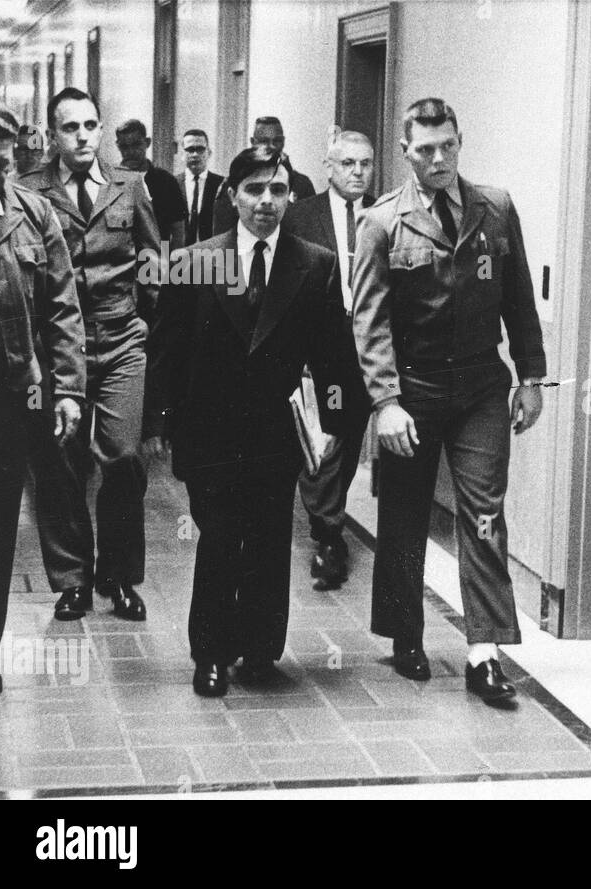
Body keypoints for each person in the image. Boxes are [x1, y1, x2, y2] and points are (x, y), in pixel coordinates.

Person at [353, 98, 546, 706]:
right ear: (405, 152)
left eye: (448, 147)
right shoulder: (383, 221)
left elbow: (519, 300)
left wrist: (531, 376)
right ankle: (406, 632)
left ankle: (484, 651)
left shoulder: (495, 208)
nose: (439, 159)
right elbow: (369, 319)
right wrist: (385, 401)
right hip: (413, 389)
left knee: (484, 511)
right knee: (405, 514)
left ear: (460, 142)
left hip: (481, 387)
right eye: (426, 150)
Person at [145, 146, 348, 698]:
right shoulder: (196, 260)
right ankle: (209, 651)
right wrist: (159, 422)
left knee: (268, 535)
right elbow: (167, 347)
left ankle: (260, 647)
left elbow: (333, 354)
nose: (266, 201)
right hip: (209, 427)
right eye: (254, 190)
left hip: (274, 430)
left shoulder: (314, 263)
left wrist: (332, 419)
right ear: (232, 196)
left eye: (277, 190)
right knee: (218, 536)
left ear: (291, 196)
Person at [20, 87, 162, 624]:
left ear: (101, 130)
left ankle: (119, 575)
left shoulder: (130, 187)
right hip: (60, 348)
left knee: (123, 457)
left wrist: (142, 320)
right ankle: (73, 579)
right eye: (69, 128)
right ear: (53, 135)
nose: (81, 136)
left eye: (89, 125)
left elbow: (153, 264)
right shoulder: (31, 194)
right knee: (60, 462)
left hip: (122, 340)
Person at [0, 103, 86, 696]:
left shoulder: (34, 214)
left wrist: (68, 389)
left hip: (10, 385)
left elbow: (62, 310)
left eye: (4, 163)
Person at [282, 130, 375, 588]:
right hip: (320, 346)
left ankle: (329, 520)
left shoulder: (383, 214)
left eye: (365, 164)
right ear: (329, 166)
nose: (358, 172)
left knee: (350, 432)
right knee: (324, 439)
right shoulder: (300, 216)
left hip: (369, 344)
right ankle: (328, 534)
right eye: (348, 164)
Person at [211, 116, 316, 234]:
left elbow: (310, 231)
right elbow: (223, 237)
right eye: (263, 141)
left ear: (283, 142)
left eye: (277, 141)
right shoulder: (234, 183)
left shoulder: (301, 183)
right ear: (253, 142)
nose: (271, 146)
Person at [114, 118, 187, 249]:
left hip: (158, 260)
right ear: (118, 146)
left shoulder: (166, 181)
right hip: (120, 263)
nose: (130, 152)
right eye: (124, 146)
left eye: (136, 145)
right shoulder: (108, 182)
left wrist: (172, 265)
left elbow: (178, 232)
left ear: (147, 142)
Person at [176, 128, 224, 245]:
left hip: (212, 254)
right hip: (179, 255)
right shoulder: (172, 184)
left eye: (200, 149)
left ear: (209, 153)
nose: (195, 154)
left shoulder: (221, 184)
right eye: (190, 150)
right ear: (183, 154)